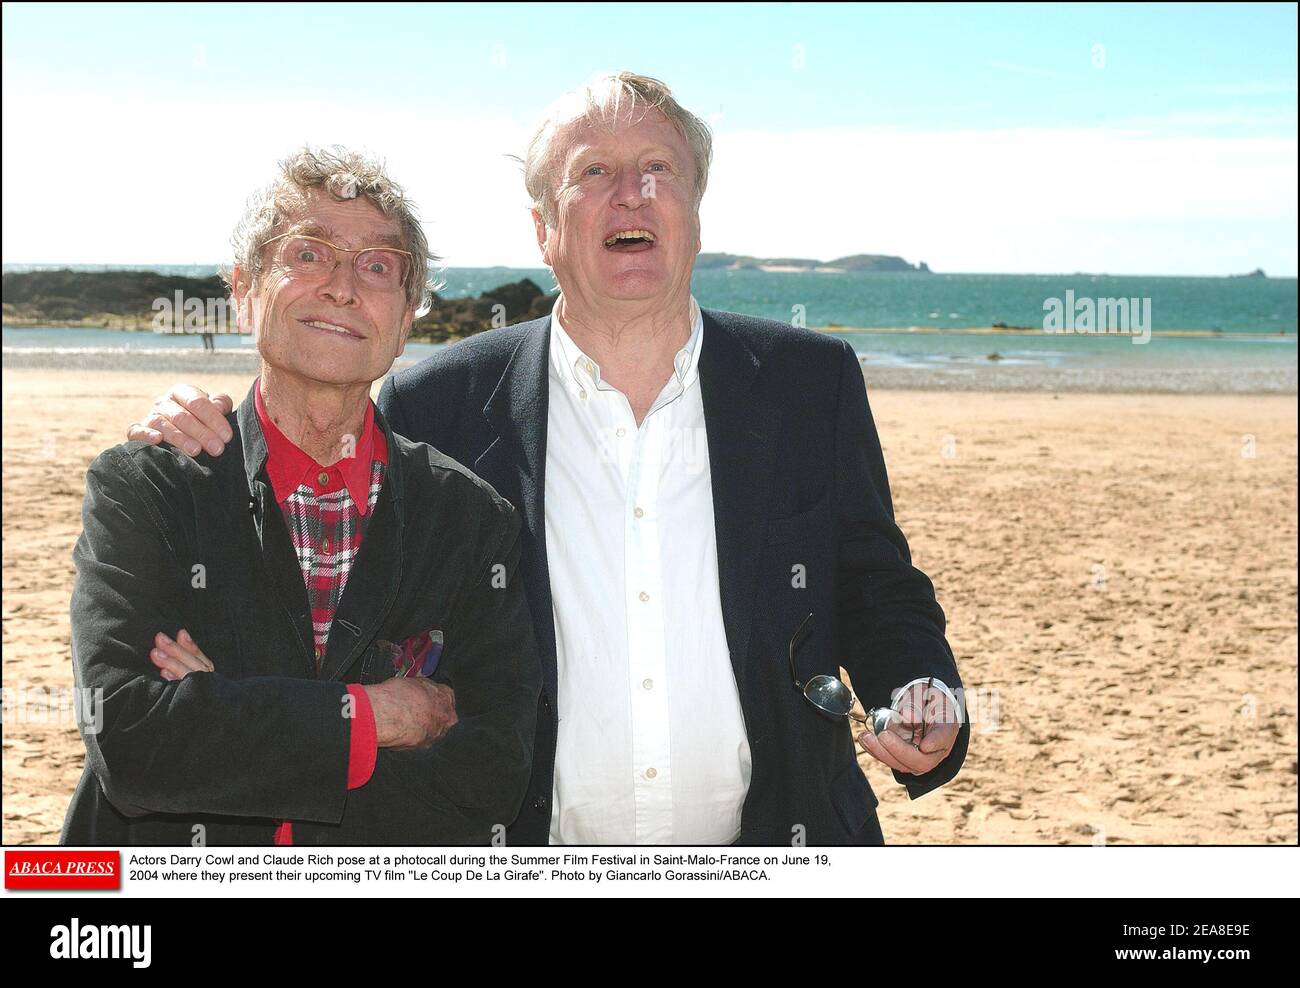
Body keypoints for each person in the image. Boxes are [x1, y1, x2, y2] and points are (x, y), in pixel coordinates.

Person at [130, 74, 969, 846]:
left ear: (696, 212)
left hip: (786, 847)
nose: (632, 193)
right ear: (541, 228)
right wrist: (208, 432)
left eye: (658, 170)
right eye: (594, 173)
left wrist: (921, 690)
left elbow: (873, 583)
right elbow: (343, 599)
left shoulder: (807, 382)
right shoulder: (441, 403)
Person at [66, 147, 539, 846]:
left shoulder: (470, 517)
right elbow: (134, 744)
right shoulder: (147, 487)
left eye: (378, 267)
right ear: (244, 289)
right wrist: (375, 718)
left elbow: (492, 777)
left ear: (407, 320)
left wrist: (234, 707)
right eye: (310, 254)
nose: (344, 288)